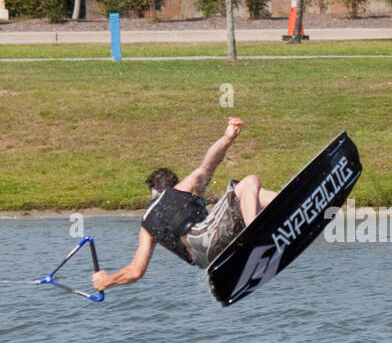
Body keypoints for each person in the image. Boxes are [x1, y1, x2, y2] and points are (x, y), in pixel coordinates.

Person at [91, 117, 277, 291]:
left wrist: (107, 281)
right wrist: (228, 138)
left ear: (153, 192)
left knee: (254, 196)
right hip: (206, 238)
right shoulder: (179, 190)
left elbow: (135, 272)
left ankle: (287, 208)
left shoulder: (147, 225)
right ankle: (256, 238)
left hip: (208, 261)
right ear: (172, 186)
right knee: (249, 183)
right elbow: (208, 164)